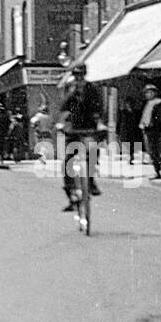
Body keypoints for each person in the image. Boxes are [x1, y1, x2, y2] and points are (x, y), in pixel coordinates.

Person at [58, 63, 105, 211]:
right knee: (68, 160)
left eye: (81, 75)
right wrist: (61, 124)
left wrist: (100, 123)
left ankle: (90, 182)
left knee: (92, 151)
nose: (79, 78)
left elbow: (99, 107)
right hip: (72, 127)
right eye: (76, 75)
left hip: (89, 126)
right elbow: (63, 107)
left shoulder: (92, 88)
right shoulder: (68, 87)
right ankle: (70, 192)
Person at [139, 82, 161, 180]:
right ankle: (157, 169)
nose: (148, 94)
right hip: (148, 130)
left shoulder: (159, 103)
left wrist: (153, 125)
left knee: (154, 150)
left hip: (155, 130)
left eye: (149, 92)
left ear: (154, 93)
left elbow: (159, 119)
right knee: (151, 151)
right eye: (147, 93)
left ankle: (158, 170)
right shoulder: (149, 103)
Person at [118, 96, 141, 165]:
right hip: (126, 131)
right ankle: (128, 159)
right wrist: (118, 131)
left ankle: (133, 159)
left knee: (134, 146)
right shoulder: (123, 112)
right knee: (127, 146)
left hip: (134, 131)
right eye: (127, 103)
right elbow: (120, 122)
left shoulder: (137, 112)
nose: (128, 104)